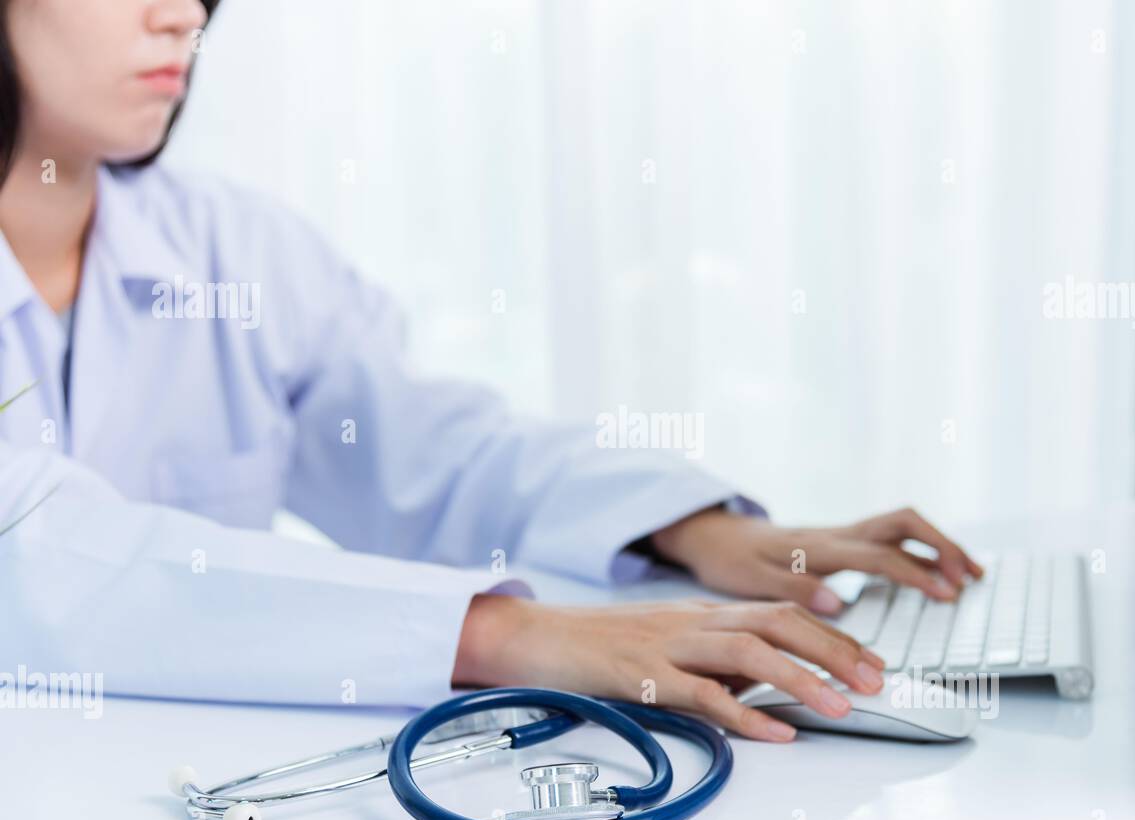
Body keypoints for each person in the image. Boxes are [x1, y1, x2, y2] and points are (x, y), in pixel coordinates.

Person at [0, 0, 981, 741]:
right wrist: (504, 636)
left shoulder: (229, 247)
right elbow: (42, 564)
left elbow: (424, 449)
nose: (181, 14)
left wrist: (689, 530)